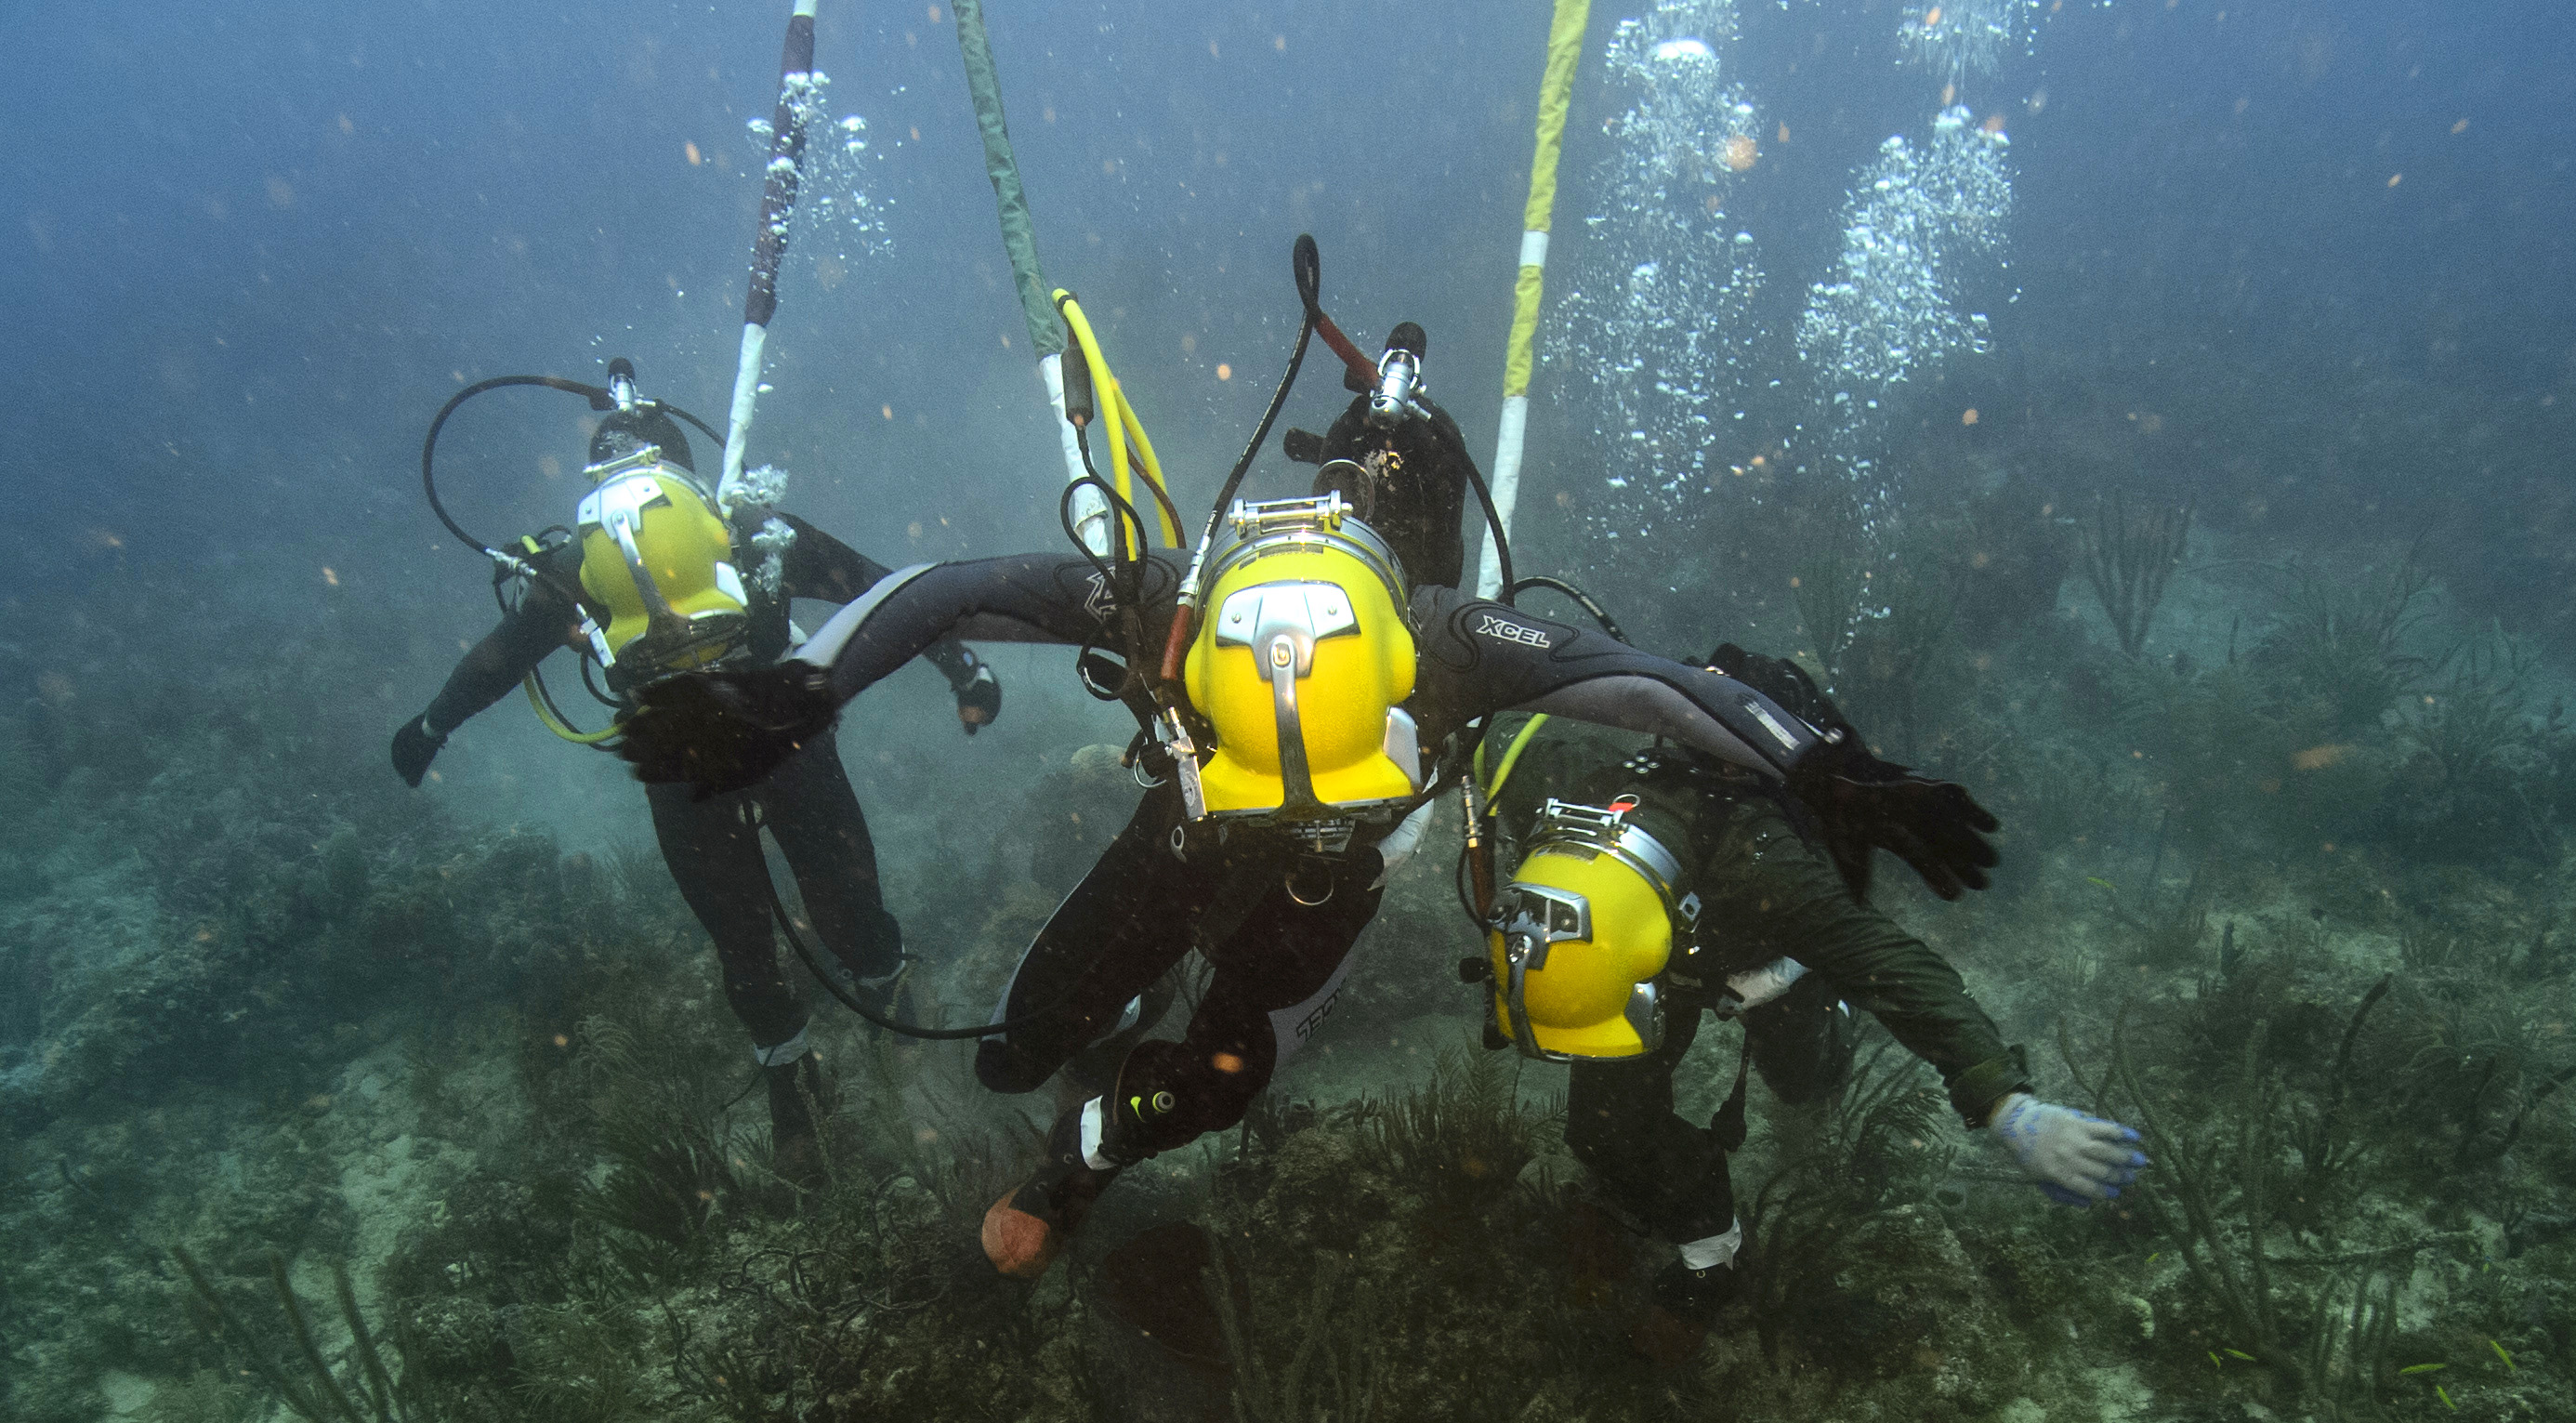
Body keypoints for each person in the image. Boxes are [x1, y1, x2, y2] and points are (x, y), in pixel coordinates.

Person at [615, 314, 2001, 1281]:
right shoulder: (1174, 602)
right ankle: (1098, 1055)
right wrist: (799, 687)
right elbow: (944, 592)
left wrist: (1815, 765)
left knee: (1222, 1078)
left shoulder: (1445, 637)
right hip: (1184, 841)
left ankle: (1086, 1155)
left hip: (1324, 889)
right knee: (1018, 1046)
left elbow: (1647, 686)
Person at [389, 362, 1001, 1186]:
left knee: (744, 943)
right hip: (785, 741)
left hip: (681, 765)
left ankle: (797, 1096)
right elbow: (882, 594)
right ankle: (890, 1028)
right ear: (688, 475)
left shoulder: (579, 562)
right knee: (842, 906)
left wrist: (431, 727)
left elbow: (497, 662)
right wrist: (964, 669)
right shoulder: (749, 530)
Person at [1479, 646, 2146, 1364]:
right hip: (1653, 973)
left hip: (1771, 953)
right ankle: (1715, 1245)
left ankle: (1816, 1000)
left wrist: (2003, 1102)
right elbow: (1480, 732)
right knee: (1601, 1131)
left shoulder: (1763, 861)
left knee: (1804, 1082)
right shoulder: (1560, 787)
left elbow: (1892, 966)